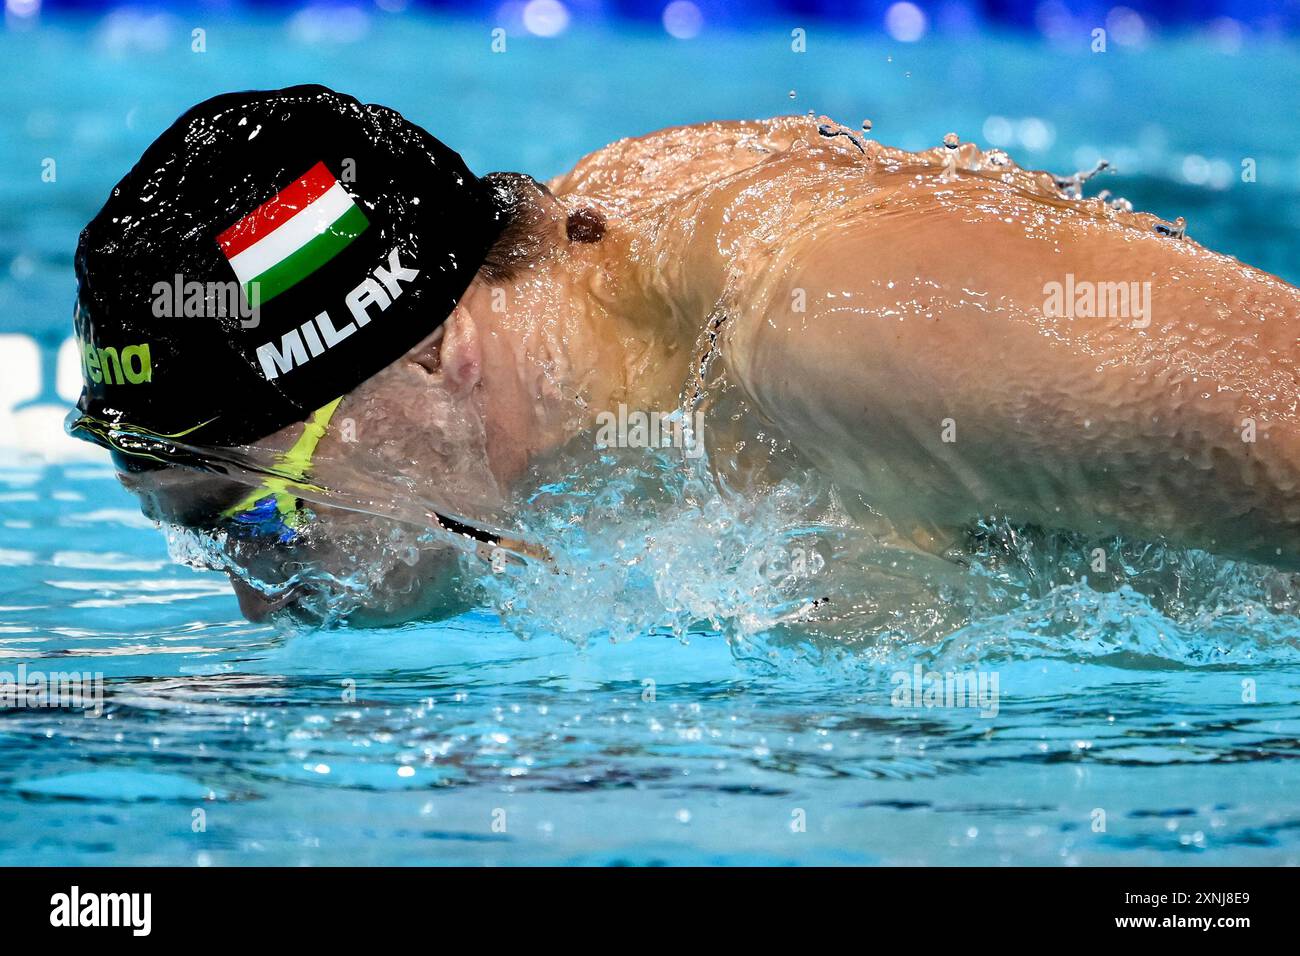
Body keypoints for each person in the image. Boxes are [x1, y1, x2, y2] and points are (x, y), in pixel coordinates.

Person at [67, 85, 1300, 626]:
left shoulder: (841, 329)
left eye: (253, 517)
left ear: (430, 345)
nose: (254, 600)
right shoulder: (584, 336)